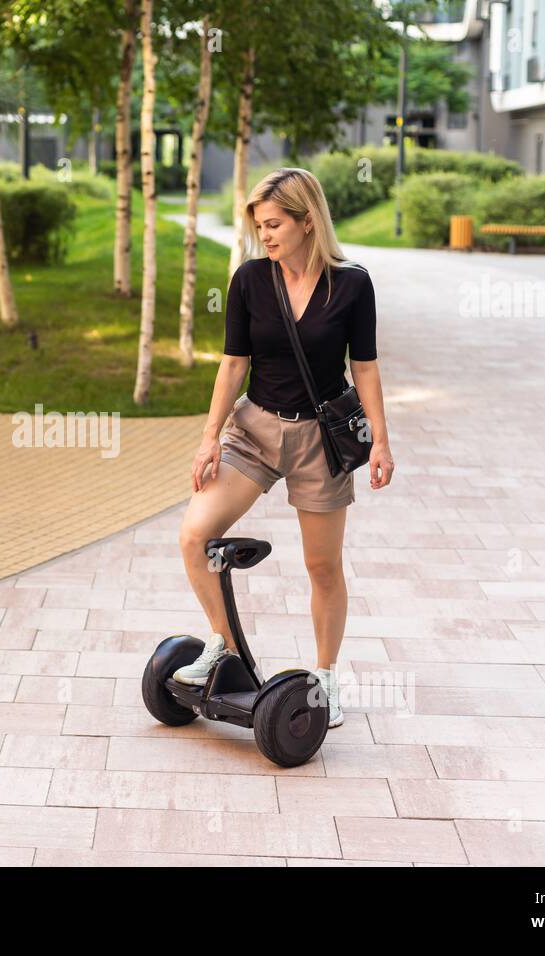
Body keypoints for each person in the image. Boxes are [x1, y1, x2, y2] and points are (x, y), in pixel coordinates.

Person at [173, 167, 395, 729]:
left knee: (322, 566)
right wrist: (208, 439)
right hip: (254, 431)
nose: (264, 236)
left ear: (306, 220)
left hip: (321, 439)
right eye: (259, 226)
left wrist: (380, 442)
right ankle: (222, 647)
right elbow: (232, 365)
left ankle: (323, 680)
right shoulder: (250, 279)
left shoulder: (352, 285)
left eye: (273, 224)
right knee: (195, 535)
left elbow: (363, 368)